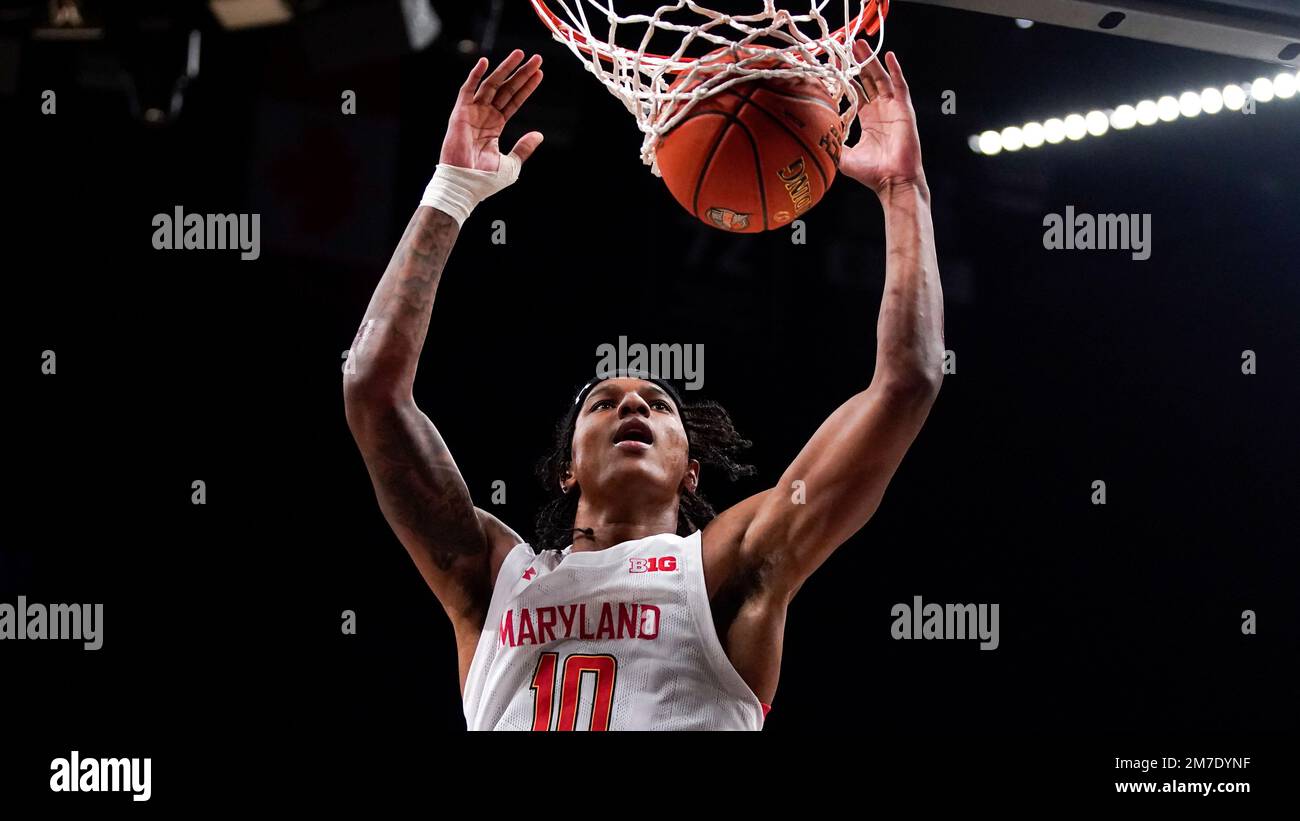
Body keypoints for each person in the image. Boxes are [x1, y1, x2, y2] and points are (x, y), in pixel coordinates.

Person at [343, 44, 944, 730]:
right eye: (603, 402)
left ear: (690, 471)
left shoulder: (726, 568)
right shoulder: (491, 579)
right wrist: (449, 191)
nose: (632, 403)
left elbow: (907, 383)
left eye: (658, 405)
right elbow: (371, 387)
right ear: (568, 468)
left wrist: (904, 192)